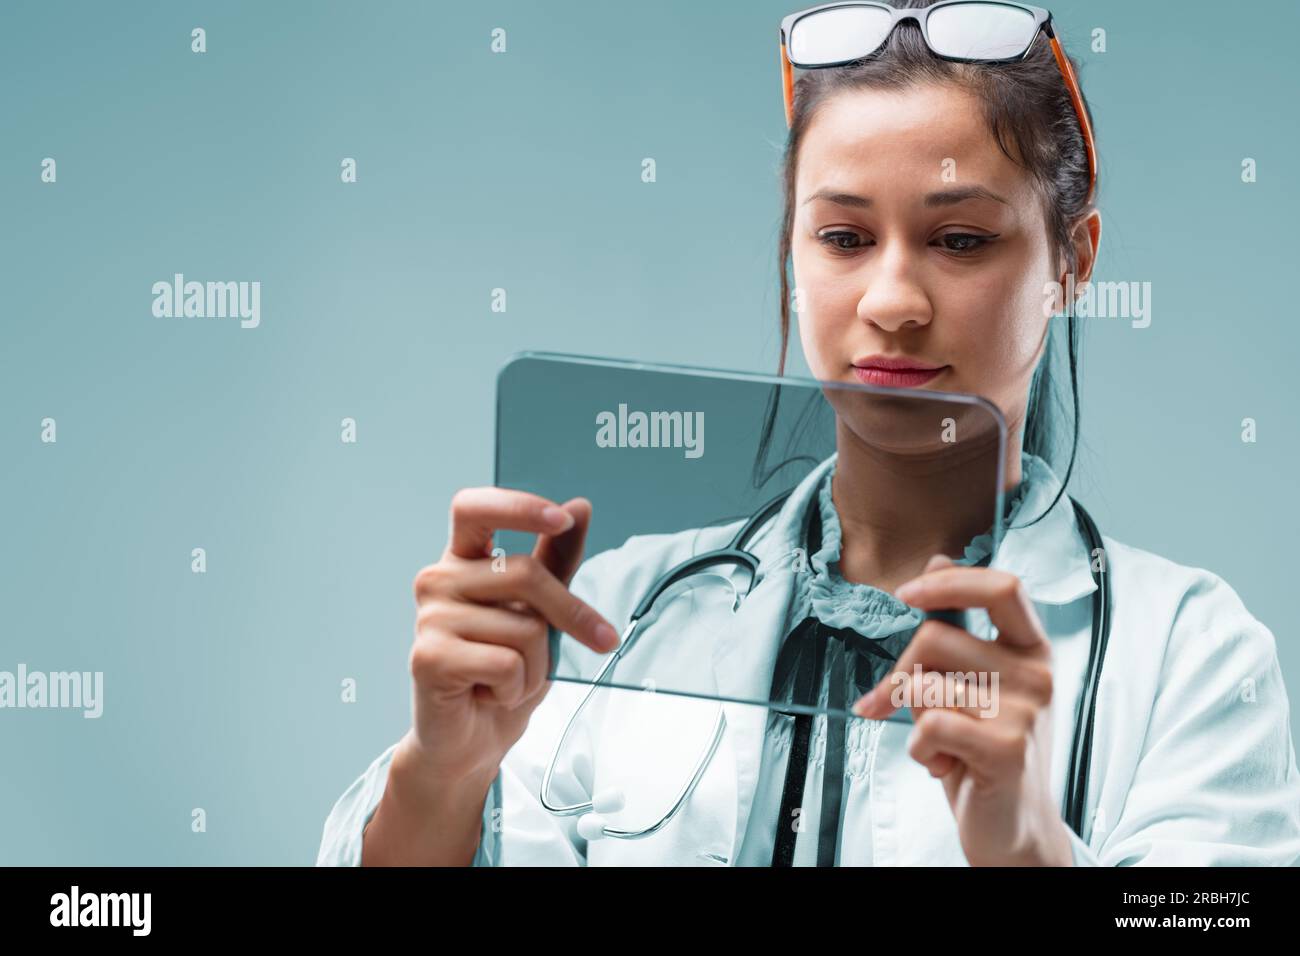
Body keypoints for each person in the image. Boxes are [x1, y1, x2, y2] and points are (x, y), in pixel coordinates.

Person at [316, 0, 1300, 866]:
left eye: (960, 239)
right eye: (842, 236)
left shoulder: (1190, 653)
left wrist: (1026, 844)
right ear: (792, 247)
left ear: (1069, 262)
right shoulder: (606, 617)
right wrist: (442, 772)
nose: (893, 300)